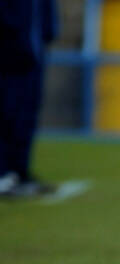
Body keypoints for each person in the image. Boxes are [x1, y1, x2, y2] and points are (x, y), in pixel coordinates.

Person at [0, 0, 58, 198]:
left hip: (32, 50)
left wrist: (49, 32)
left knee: (25, 114)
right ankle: (3, 173)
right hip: (9, 51)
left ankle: (19, 170)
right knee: (6, 112)